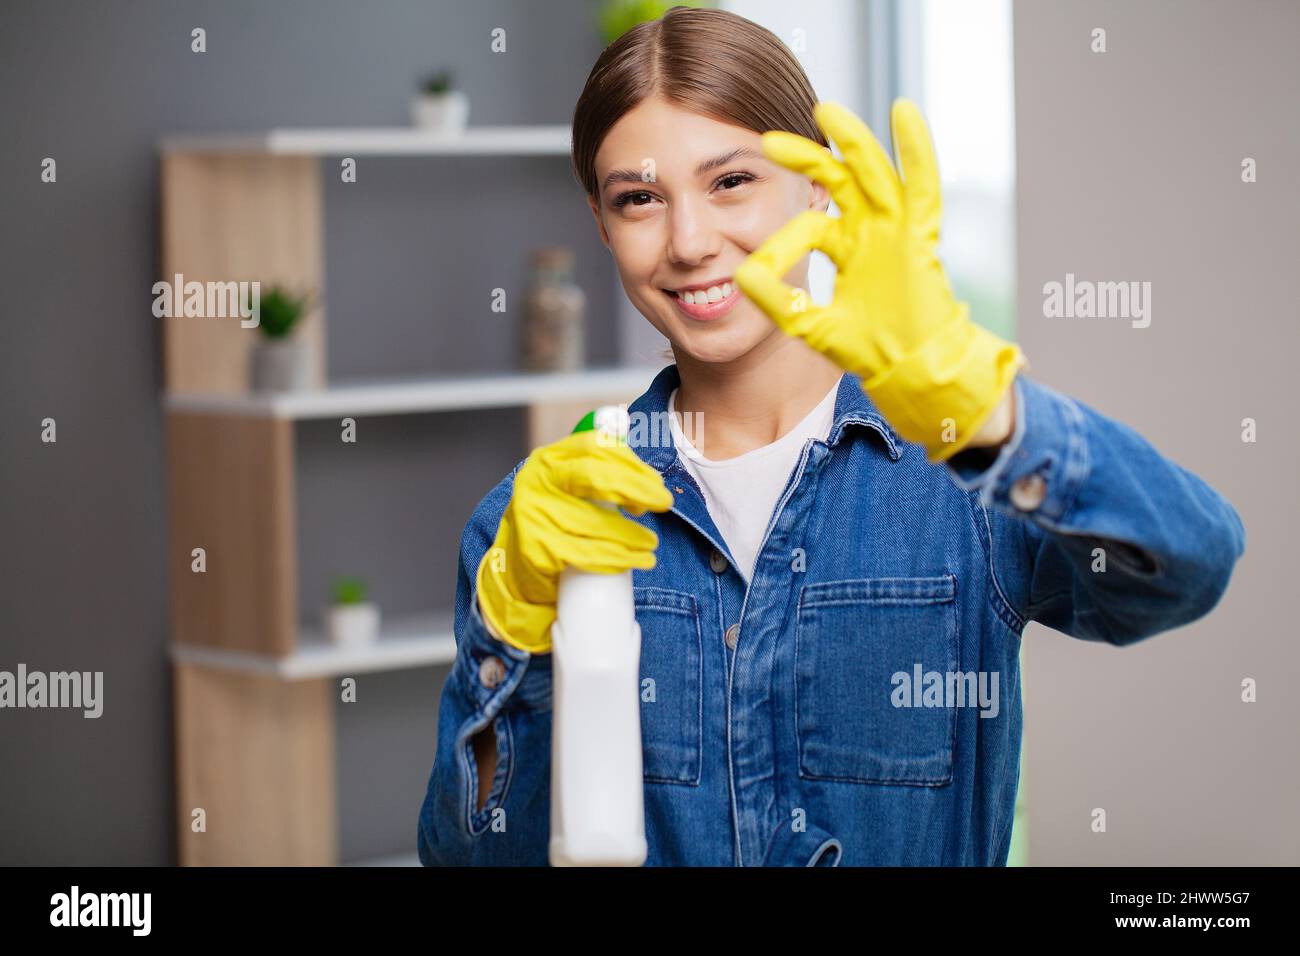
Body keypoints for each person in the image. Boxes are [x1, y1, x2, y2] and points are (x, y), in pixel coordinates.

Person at [418, 6, 1244, 866]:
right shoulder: (536, 522)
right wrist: (507, 624)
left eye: (731, 181)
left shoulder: (957, 478)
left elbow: (1189, 567)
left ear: (818, 184)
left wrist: (993, 410)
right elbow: (467, 856)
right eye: (640, 199)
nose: (692, 241)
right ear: (601, 221)